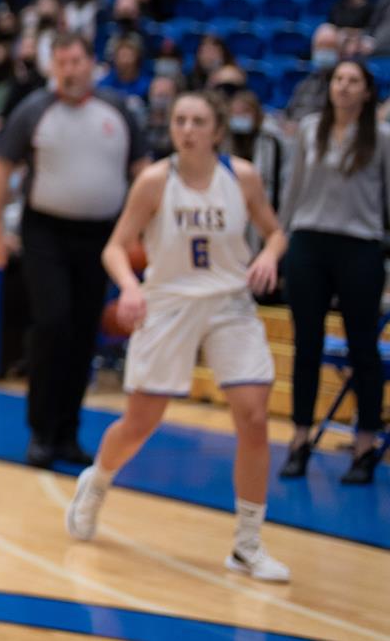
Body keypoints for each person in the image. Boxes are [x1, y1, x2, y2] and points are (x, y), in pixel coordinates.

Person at [64, 91, 290, 580]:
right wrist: (128, 288)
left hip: (229, 302)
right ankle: (97, 481)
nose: (187, 129)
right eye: (180, 120)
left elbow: (275, 231)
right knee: (141, 423)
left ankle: (247, 544)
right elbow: (115, 249)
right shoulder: (153, 181)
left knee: (253, 417)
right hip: (168, 303)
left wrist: (269, 255)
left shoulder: (242, 176)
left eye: (198, 121)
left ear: (217, 130)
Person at [0, 32, 148, 468]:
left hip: (100, 238)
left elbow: (143, 174)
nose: (70, 70)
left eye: (77, 61)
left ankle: (68, 433)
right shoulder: (34, 110)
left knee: (81, 332)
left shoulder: (118, 111)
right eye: (62, 63)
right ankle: (40, 432)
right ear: (52, 66)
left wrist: (142, 232)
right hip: (46, 234)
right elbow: (1, 168)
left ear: (92, 63)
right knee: (52, 322)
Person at [276, 61, 386, 486]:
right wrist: (280, 242)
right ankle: (300, 439)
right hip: (308, 243)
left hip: (359, 247)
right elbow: (293, 190)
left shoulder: (382, 138)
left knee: (363, 349)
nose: (343, 86)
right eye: (338, 79)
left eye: (352, 81)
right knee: (307, 344)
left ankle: (364, 446)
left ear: (366, 91)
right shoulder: (309, 129)